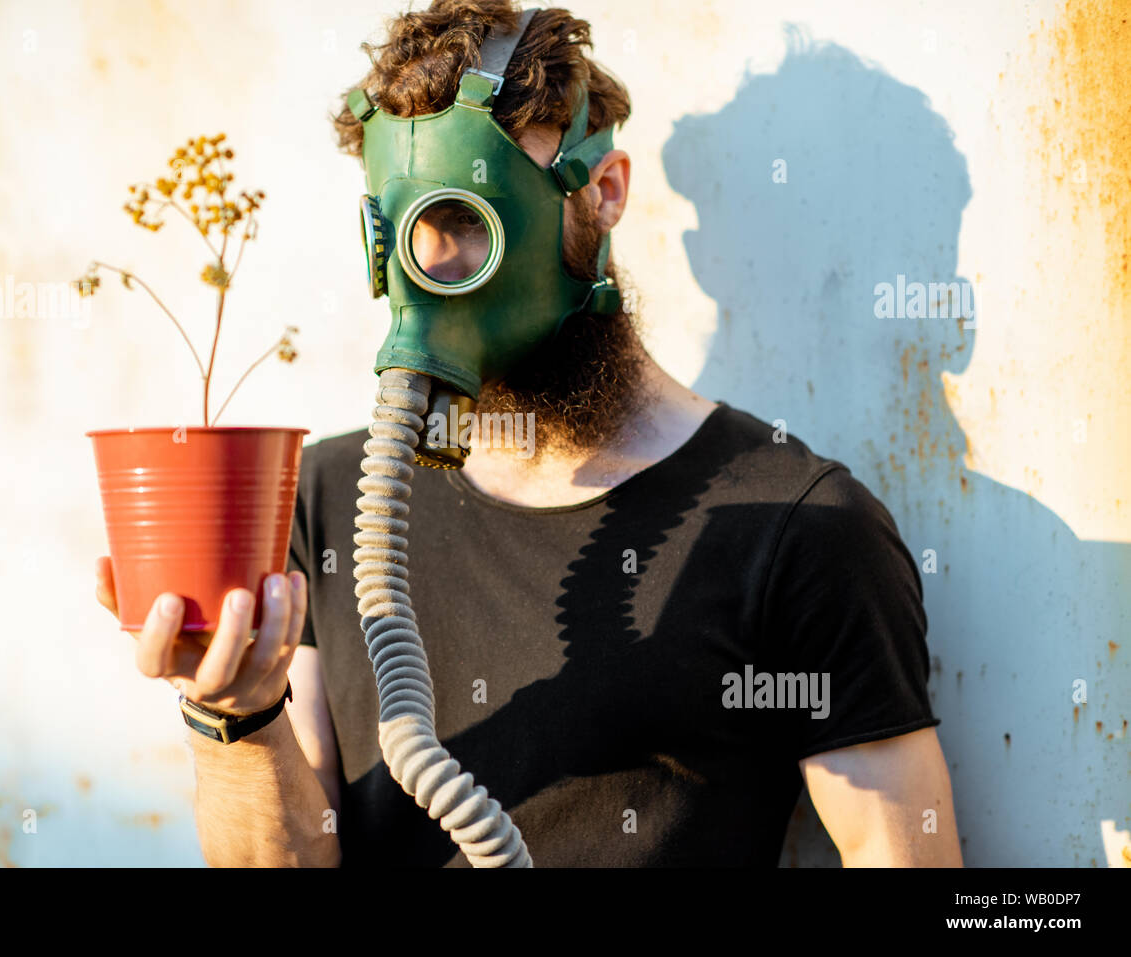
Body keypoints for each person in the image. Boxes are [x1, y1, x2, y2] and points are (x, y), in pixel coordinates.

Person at [94, 0, 960, 867]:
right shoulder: (325, 503)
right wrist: (237, 715)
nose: (435, 270)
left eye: (474, 220)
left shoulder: (799, 527)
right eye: (410, 232)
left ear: (604, 190)